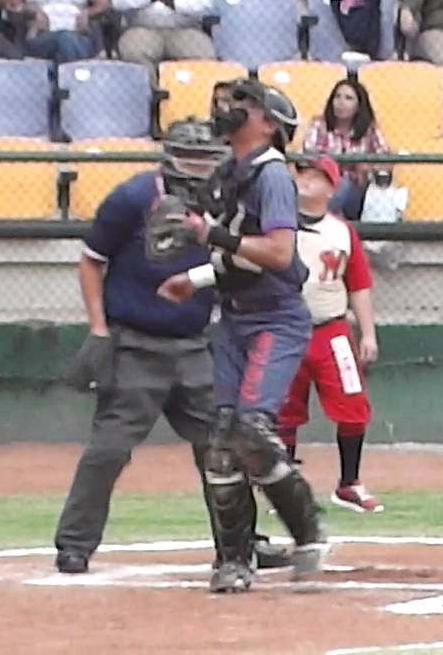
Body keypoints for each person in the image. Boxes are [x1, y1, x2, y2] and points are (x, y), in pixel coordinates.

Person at [54, 119, 286, 576]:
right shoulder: (134, 197)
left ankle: (240, 545)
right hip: (136, 344)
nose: (198, 167)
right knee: (109, 448)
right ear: (168, 157)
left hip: (196, 345)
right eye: (188, 158)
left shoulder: (225, 202)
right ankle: (74, 544)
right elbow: (91, 260)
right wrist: (100, 328)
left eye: (206, 158)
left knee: (223, 450)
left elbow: (239, 260)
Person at [155, 79, 327, 594]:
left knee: (252, 431)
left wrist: (210, 235)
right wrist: (199, 277)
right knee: (221, 442)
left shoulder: (272, 174)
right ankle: (235, 559)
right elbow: (238, 257)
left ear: (269, 124)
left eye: (245, 106)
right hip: (234, 316)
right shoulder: (231, 171)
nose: (231, 110)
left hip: (275, 317)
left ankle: (308, 534)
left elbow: (276, 253)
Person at [275, 155, 382, 514]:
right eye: (302, 173)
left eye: (316, 176)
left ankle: (349, 482)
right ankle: (284, 487)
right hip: (285, 327)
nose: (306, 180)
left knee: (352, 403)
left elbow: (359, 284)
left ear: (331, 187)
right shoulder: (278, 226)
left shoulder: (340, 231)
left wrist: (367, 333)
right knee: (283, 410)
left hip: (330, 328)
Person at [301, 79, 390, 221]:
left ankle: (317, 222)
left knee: (347, 185)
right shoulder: (319, 124)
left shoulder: (369, 129)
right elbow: (310, 156)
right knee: (341, 184)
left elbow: (386, 159)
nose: (341, 102)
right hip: (323, 185)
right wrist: (344, 164)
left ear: (359, 105)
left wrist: (368, 166)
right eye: (337, 97)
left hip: (357, 191)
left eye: (348, 98)